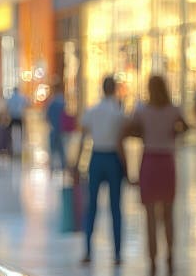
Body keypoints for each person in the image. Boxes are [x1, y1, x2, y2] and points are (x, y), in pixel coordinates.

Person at [119, 75, 189, 276]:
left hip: (149, 162)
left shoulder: (142, 110)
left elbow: (128, 130)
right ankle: (170, 256)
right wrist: (172, 133)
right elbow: (185, 126)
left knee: (150, 216)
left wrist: (143, 134)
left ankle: (152, 260)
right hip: (167, 162)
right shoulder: (173, 110)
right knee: (168, 214)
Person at [75, 76, 126, 265]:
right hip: (113, 159)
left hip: (96, 159)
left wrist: (76, 162)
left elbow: (83, 137)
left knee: (92, 207)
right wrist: (127, 167)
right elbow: (122, 141)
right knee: (115, 208)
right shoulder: (118, 113)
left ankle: (88, 251)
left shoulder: (93, 111)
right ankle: (118, 254)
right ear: (114, 90)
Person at [45, 82, 67, 171]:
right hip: (61, 129)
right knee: (62, 149)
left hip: (54, 129)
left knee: (53, 149)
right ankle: (63, 166)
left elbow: (47, 116)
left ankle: (52, 166)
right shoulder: (63, 101)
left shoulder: (51, 102)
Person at [6, 87, 28, 156]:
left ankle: (12, 146)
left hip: (12, 117)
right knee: (21, 133)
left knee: (11, 133)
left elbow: (7, 107)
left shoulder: (10, 98)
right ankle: (19, 148)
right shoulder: (21, 98)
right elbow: (26, 105)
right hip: (19, 117)